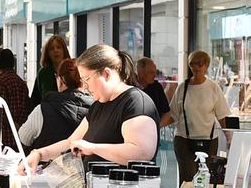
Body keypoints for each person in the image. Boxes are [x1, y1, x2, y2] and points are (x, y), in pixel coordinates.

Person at [21, 44, 159, 170]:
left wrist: (93, 148)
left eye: (87, 79)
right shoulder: (98, 105)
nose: (85, 87)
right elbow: (71, 142)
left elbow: (142, 152)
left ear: (106, 74)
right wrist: (40, 153)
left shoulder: (135, 102)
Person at [170, 50, 226, 185]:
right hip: (184, 140)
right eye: (192, 64)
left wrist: (229, 137)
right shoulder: (183, 88)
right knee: (188, 179)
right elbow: (173, 114)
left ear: (206, 66)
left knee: (206, 180)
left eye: (199, 64)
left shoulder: (213, 88)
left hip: (209, 140)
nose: (195, 67)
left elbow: (222, 115)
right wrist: (156, 125)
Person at [18, 58, 90, 153]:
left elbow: (24, 138)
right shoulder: (97, 109)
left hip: (46, 160)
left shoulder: (42, 110)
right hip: (84, 162)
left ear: (60, 80)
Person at [0, 47, 32, 129]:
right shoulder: (21, 82)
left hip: (5, 131)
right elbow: (26, 107)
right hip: (21, 130)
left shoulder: (0, 82)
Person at [32, 34, 71, 101]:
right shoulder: (43, 73)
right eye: (51, 49)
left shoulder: (71, 70)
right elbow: (35, 99)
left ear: (64, 50)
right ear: (48, 53)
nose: (55, 50)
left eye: (58, 47)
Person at [133, 56, 171, 122]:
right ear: (140, 73)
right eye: (151, 72)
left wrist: (157, 126)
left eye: (155, 72)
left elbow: (166, 112)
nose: (155, 75)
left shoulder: (157, 87)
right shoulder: (129, 87)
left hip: (153, 126)